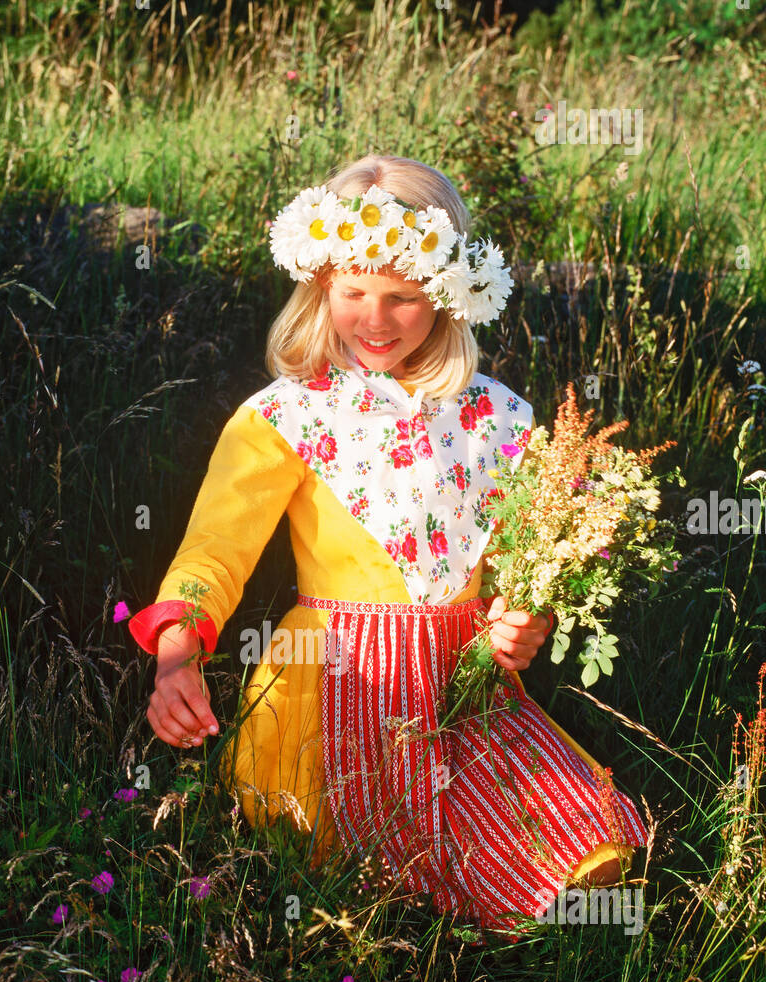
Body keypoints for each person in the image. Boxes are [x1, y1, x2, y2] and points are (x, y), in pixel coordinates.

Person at [128, 153, 648, 940]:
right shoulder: (287, 414)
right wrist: (177, 653)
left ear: (450, 294)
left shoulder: (500, 417)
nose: (376, 319)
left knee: (592, 852)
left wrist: (523, 619)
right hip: (333, 685)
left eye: (404, 297)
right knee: (343, 877)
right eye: (353, 293)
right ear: (319, 288)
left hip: (458, 691)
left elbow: (527, 561)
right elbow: (214, 551)